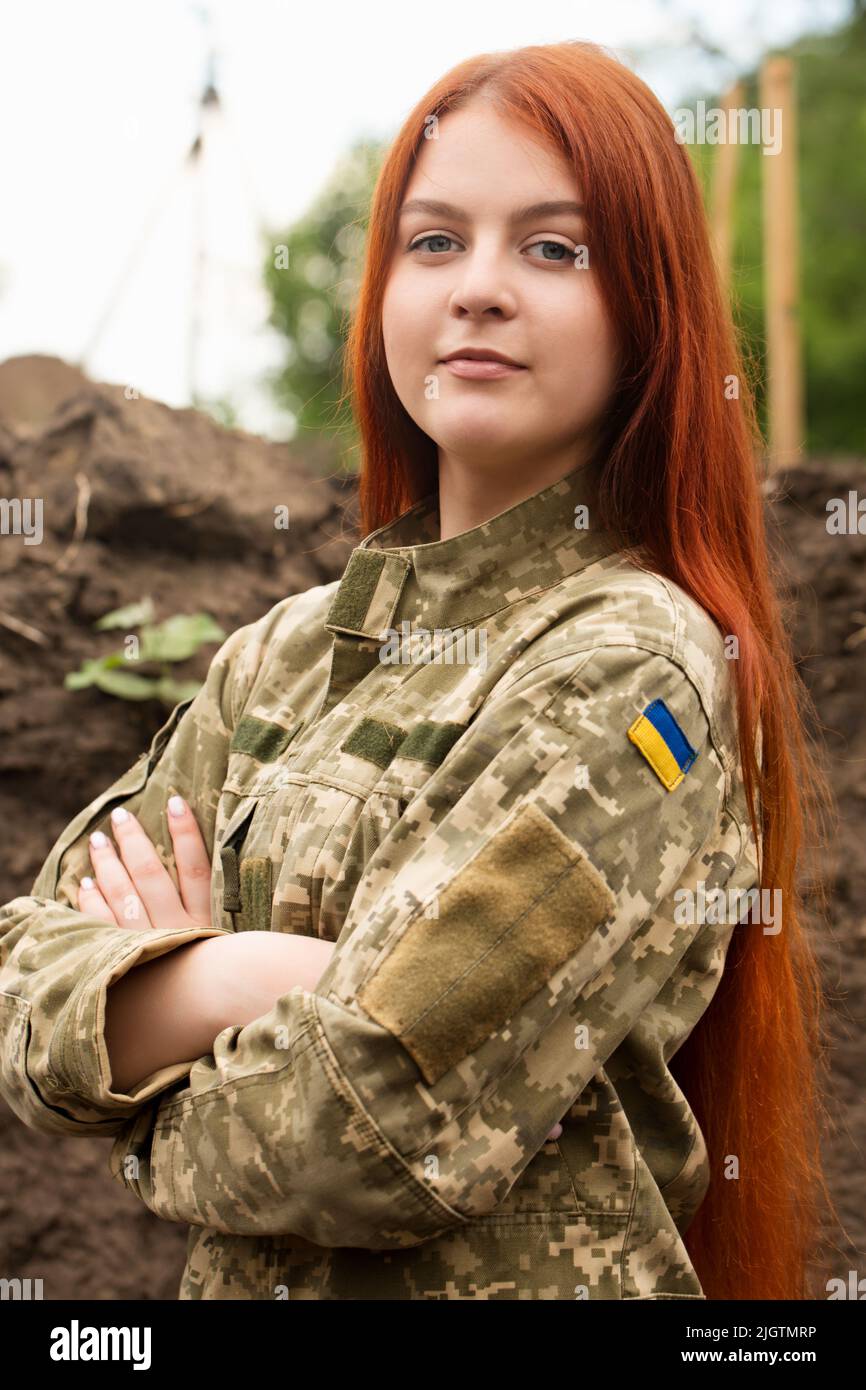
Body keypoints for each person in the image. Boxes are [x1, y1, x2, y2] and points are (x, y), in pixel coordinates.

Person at [0, 39, 835, 1300]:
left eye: (553, 249)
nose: (477, 289)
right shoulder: (277, 660)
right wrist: (258, 980)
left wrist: (149, 1029)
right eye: (433, 242)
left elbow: (366, 1129)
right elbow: (18, 989)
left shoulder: (631, 671)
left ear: (648, 310)